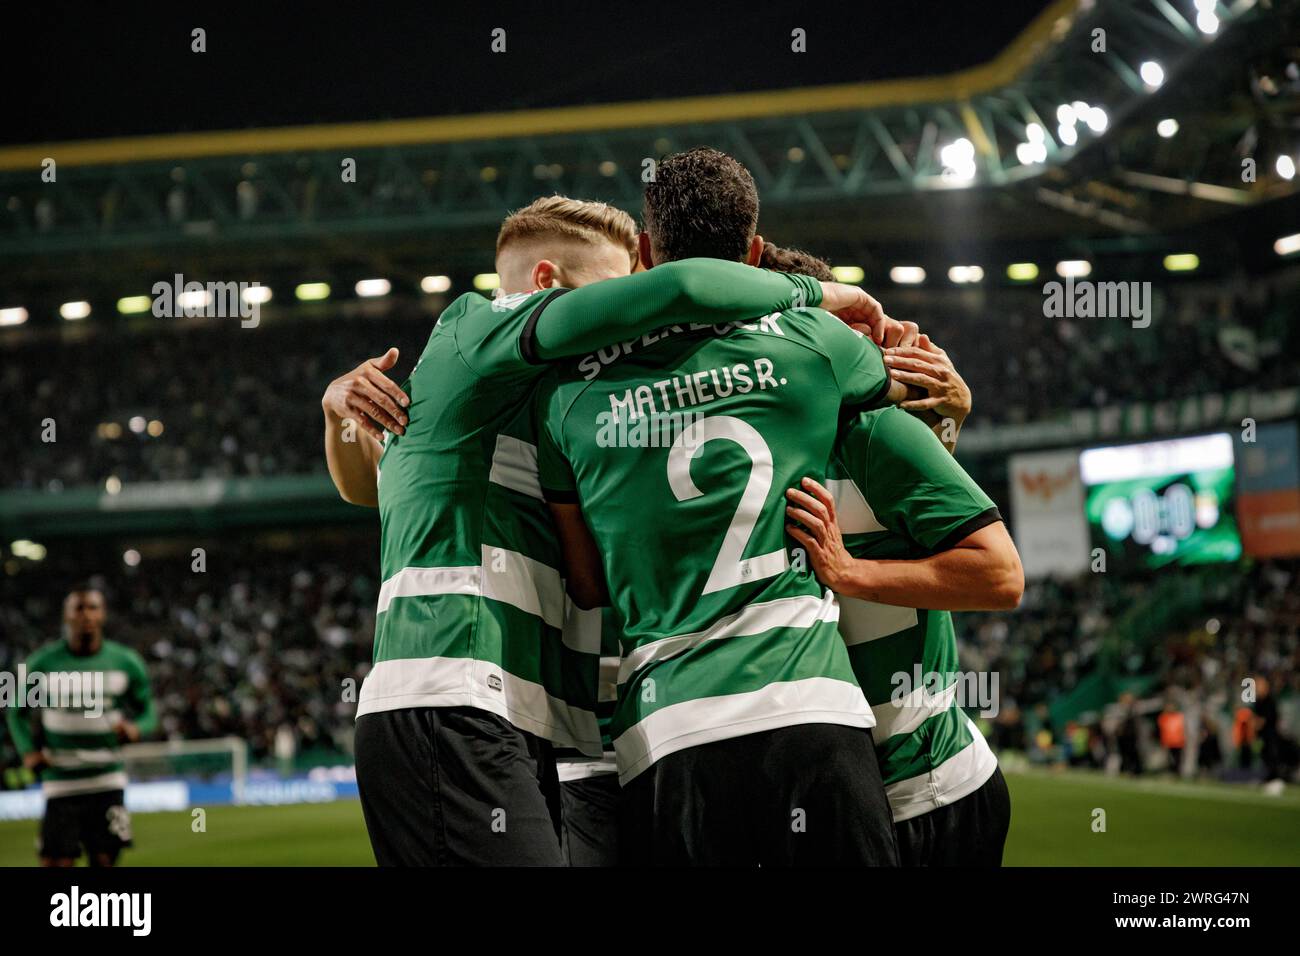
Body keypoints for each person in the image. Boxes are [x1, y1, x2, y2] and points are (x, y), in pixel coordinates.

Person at [322, 194, 886, 866]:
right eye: (613, 295)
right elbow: (680, 288)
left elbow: (372, 487)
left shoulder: (523, 403)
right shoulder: (474, 330)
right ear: (545, 287)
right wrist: (817, 293)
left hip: (539, 723)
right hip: (455, 693)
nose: (629, 319)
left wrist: (340, 421)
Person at [537, 148, 910, 865]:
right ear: (756, 252)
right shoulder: (817, 343)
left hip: (670, 730)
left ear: (644, 252)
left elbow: (586, 585)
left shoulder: (567, 397)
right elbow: (908, 401)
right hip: (811, 707)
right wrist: (955, 403)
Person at [3, 586, 156, 867]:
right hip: (61, 782)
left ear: (103, 615)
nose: (86, 615)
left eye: (93, 607)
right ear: (67, 616)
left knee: (104, 861)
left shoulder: (125, 662)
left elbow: (149, 711)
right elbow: (16, 712)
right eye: (79, 608)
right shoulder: (43, 663)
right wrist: (27, 752)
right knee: (55, 862)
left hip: (107, 779)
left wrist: (137, 729)